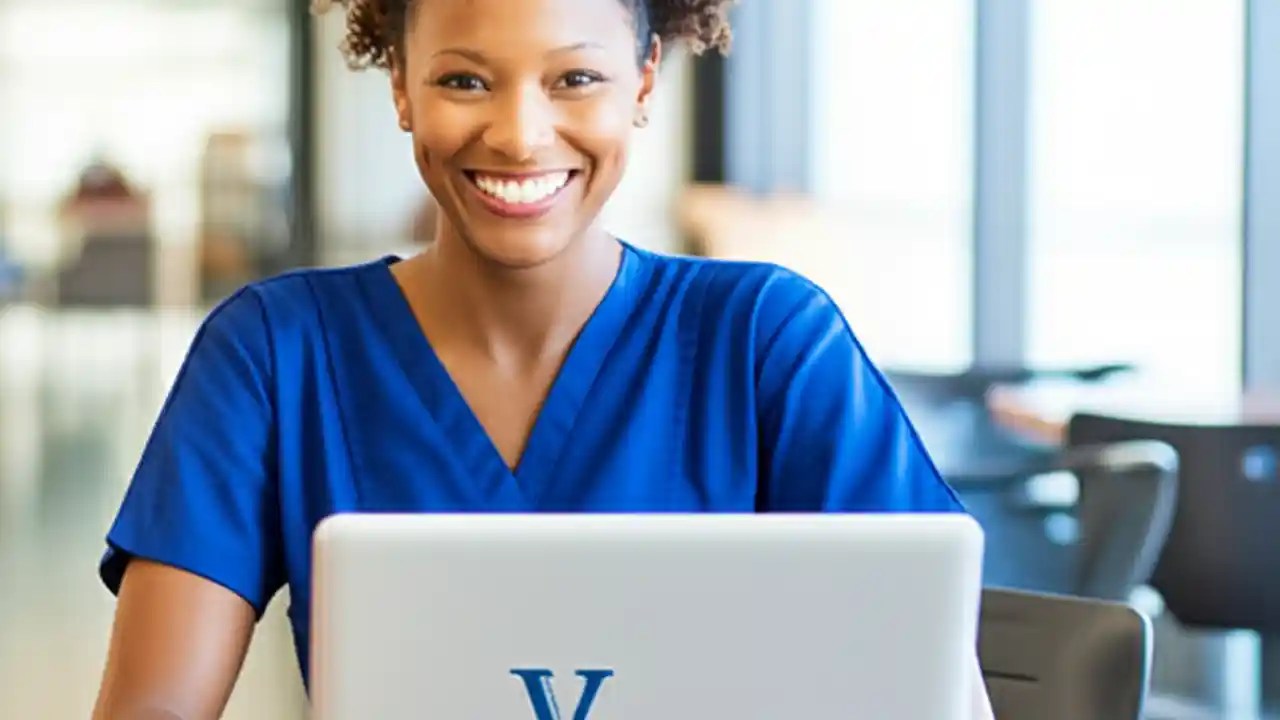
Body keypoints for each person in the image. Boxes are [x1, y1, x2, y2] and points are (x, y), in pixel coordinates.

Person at [92, 0, 995, 717]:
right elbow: (153, 707)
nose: (520, 135)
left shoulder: (767, 340)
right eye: (464, 79)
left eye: (575, 77)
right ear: (401, 83)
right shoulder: (273, 353)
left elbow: (935, 691)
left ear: (643, 80)